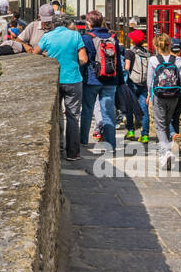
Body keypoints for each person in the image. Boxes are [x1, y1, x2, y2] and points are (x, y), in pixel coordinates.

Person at [35, 13, 89, 160]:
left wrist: (49, 59)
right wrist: (72, 63)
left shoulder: (47, 36)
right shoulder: (75, 35)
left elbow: (34, 55)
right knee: (73, 117)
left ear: (53, 24)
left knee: (56, 114)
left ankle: (58, 147)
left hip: (55, 79)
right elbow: (83, 59)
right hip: (73, 79)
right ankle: (72, 153)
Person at [80, 10, 124, 150]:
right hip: (110, 80)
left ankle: (83, 143)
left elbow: (84, 60)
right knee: (108, 114)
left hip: (92, 80)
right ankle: (111, 145)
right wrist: (120, 80)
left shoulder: (87, 38)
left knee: (87, 111)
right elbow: (117, 62)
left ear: (89, 22)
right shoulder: (112, 37)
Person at [146, 35, 181, 170]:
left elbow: (150, 81)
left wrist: (149, 95)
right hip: (174, 96)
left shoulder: (153, 60)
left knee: (160, 125)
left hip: (159, 95)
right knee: (167, 122)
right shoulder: (178, 60)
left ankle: (166, 152)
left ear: (156, 47)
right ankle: (166, 149)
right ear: (170, 45)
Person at [124, 30, 151, 143]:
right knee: (144, 109)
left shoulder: (130, 52)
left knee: (129, 107)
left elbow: (127, 67)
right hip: (144, 84)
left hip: (132, 83)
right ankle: (145, 135)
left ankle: (130, 131)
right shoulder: (148, 53)